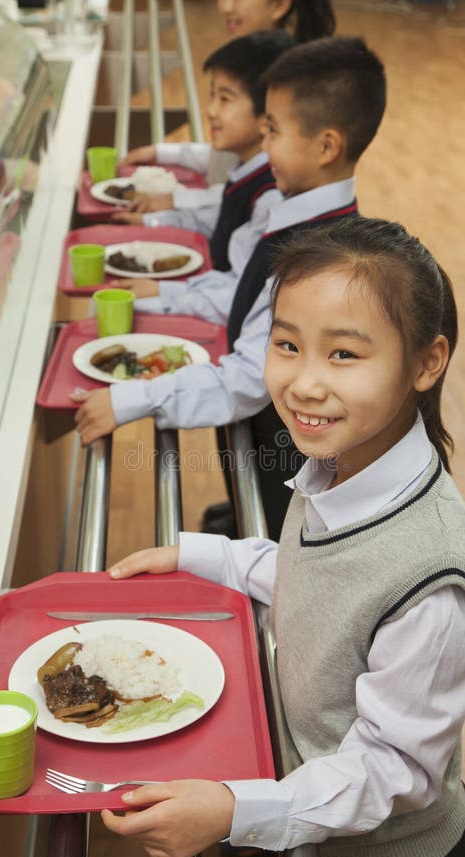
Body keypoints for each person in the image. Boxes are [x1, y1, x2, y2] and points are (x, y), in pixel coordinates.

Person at [99, 217, 465, 857]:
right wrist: (200, 555)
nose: (305, 383)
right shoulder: (341, 464)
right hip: (303, 831)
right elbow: (316, 575)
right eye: (287, 344)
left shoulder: (434, 576)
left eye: (343, 354)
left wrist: (235, 811)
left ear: (428, 362)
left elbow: (391, 772)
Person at [71, 37, 387, 541]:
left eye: (275, 133)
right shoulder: (299, 217)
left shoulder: (317, 260)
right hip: (277, 447)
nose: (264, 149)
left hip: (291, 462)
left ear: (327, 146)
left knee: (282, 538)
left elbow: (245, 379)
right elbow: (242, 287)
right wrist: (162, 297)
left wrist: (132, 399)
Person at [117, 0, 336, 218]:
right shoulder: (249, 66)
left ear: (279, 6)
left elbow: (244, 189)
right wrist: (162, 153)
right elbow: (227, 161)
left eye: (225, 98)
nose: (225, 7)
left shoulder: (285, 90)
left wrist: (175, 202)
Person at [112, 30, 291, 274]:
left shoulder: (269, 193)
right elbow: (215, 221)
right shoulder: (245, 169)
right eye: (212, 95)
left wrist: (161, 295)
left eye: (225, 99)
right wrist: (152, 222)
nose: (211, 110)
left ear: (267, 114)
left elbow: (238, 288)